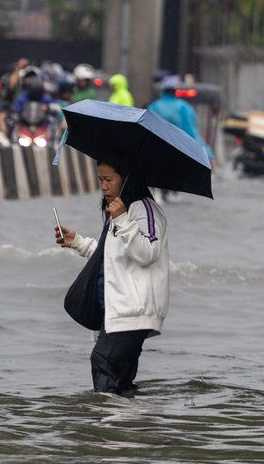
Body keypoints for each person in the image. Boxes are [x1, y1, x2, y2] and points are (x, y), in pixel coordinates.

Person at [55, 160, 169, 394]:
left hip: (133, 311)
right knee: (120, 382)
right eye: (100, 180)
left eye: (109, 180)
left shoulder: (143, 209)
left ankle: (107, 426)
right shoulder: (118, 210)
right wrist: (77, 242)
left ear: (126, 177)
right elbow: (112, 256)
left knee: (102, 363)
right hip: (116, 311)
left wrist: (123, 220)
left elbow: (147, 253)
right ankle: (128, 424)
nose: (103, 187)